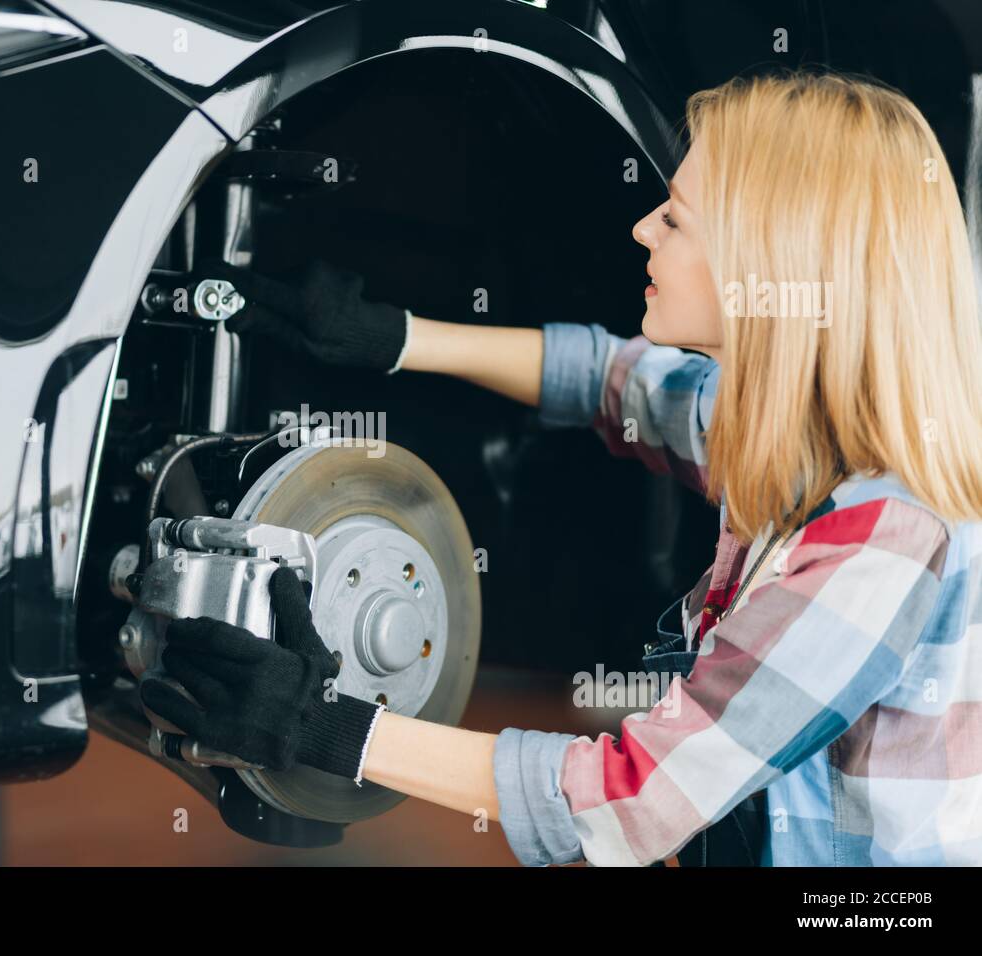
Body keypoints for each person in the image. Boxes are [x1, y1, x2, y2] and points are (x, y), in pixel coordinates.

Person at [139, 69, 982, 866]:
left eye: (677, 220)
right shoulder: (799, 433)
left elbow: (633, 800)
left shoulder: (883, 538)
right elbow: (617, 383)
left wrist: (323, 727)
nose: (643, 227)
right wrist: (394, 338)